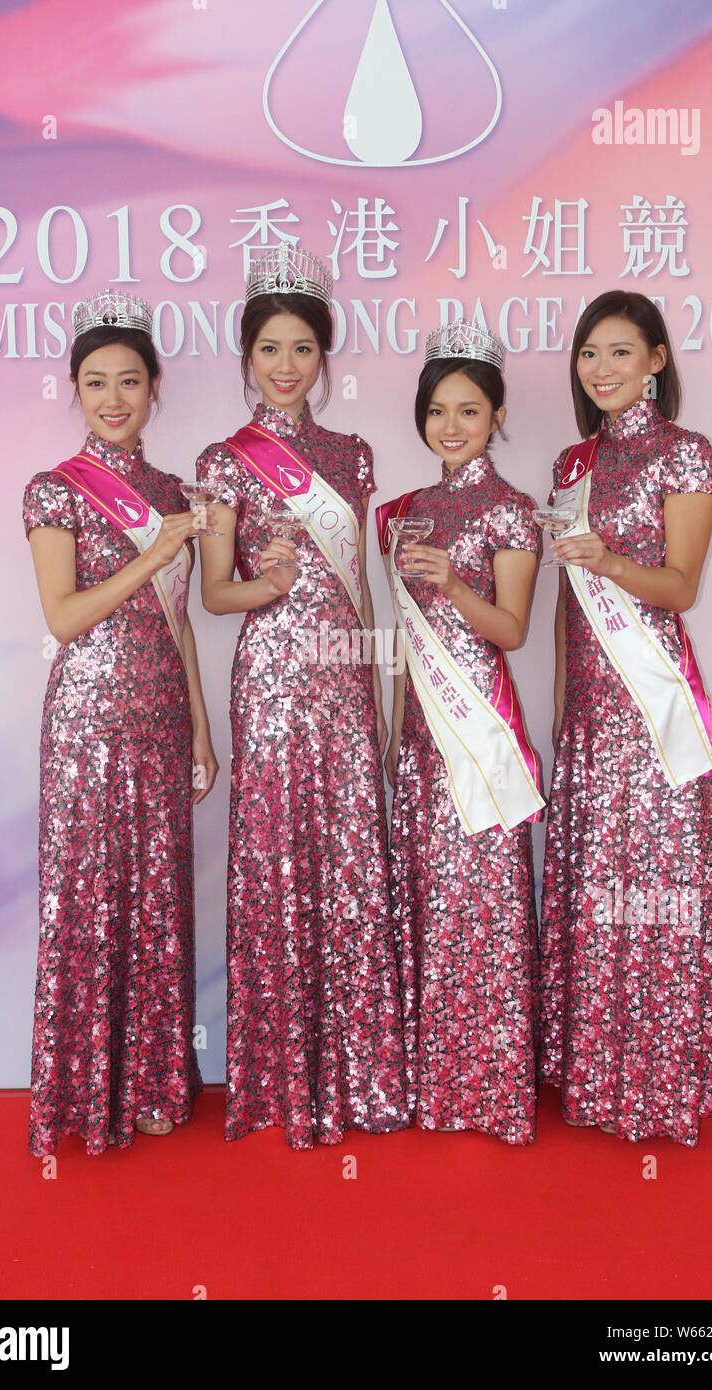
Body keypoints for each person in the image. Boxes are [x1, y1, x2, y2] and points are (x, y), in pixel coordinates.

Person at [195, 245, 409, 1149]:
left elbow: (362, 579)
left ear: (325, 356)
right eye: (270, 349)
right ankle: (281, 1080)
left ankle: (357, 1076)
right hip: (272, 684)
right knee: (277, 865)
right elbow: (214, 594)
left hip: (342, 685)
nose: (285, 366)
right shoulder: (219, 460)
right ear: (247, 354)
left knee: (349, 863)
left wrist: (379, 687)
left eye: (303, 350)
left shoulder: (353, 457)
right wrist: (266, 583)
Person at [23, 289, 217, 1156]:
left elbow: (183, 626)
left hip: (163, 720)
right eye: (96, 382)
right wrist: (153, 553)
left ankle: (151, 1082)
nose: (113, 398)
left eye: (129, 381)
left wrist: (204, 733)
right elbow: (64, 617)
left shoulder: (175, 493)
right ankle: (84, 1093)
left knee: (157, 901)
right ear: (74, 389)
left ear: (154, 388)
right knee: (90, 903)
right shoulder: (54, 493)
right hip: (86, 725)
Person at [539, 289, 712, 1146]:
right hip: (589, 721)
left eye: (620, 352)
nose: (602, 369)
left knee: (655, 899)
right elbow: (563, 616)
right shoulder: (571, 468)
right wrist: (559, 713)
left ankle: (658, 1083)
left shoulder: (685, 456)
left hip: (654, 714)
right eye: (589, 354)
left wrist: (609, 559)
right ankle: (597, 1079)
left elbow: (681, 586)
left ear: (655, 358)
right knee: (597, 895)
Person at [380, 321, 544, 1142]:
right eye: (438, 410)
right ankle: (434, 1080)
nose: (451, 425)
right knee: (428, 900)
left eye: (469, 410)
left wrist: (453, 583)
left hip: (478, 725)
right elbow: (404, 646)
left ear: (497, 414)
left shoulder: (512, 511)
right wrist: (394, 723)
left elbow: (510, 628)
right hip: (420, 733)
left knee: (485, 902)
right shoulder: (400, 515)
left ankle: (492, 1085)